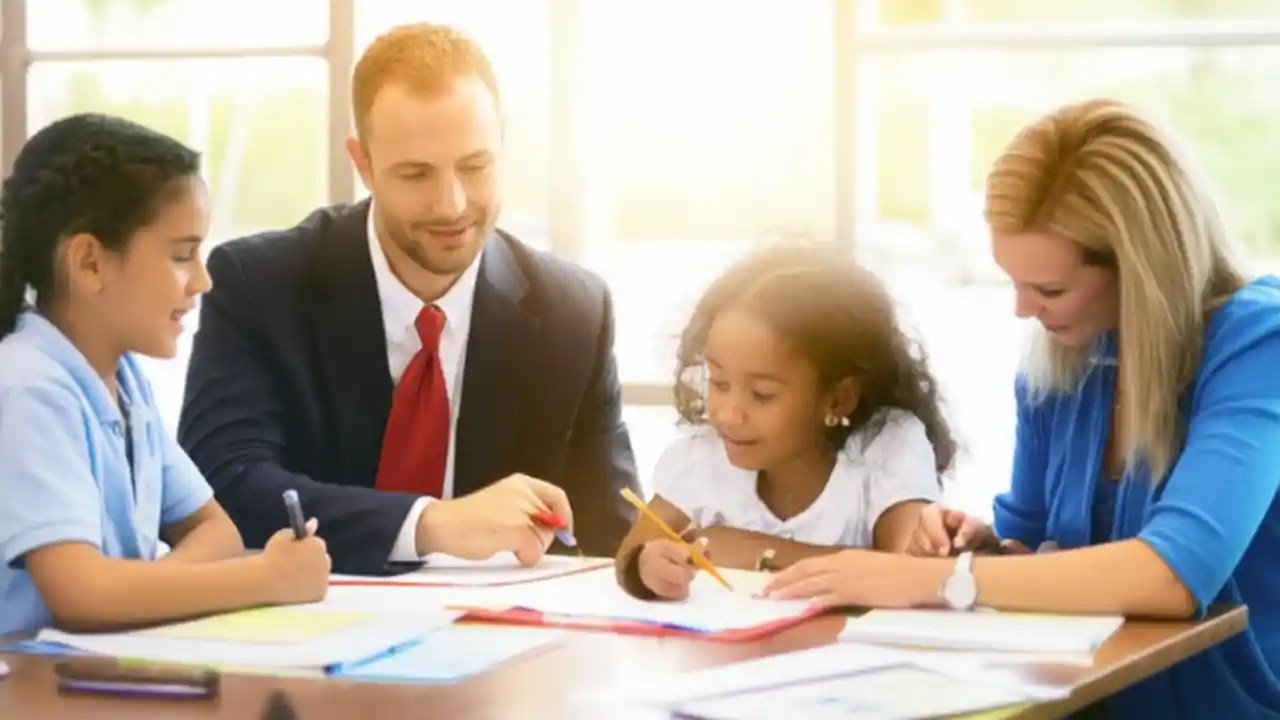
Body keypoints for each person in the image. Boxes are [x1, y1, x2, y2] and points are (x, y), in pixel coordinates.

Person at [763, 99, 1280, 717]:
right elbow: (1032, 547)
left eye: (1049, 289)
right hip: (1080, 700)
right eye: (1013, 282)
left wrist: (930, 582)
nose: (1022, 310)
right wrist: (977, 549)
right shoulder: (1061, 364)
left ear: (1143, 269)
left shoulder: (1258, 344)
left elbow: (1172, 575)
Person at [178, 23, 639, 575]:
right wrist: (432, 523)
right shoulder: (261, 285)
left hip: (497, 639)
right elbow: (223, 486)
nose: (452, 204)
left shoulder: (574, 311)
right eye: (417, 174)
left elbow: (609, 538)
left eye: (475, 166)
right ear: (364, 164)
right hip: (311, 625)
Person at [0, 113, 330, 635]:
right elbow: (81, 593)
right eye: (182, 255)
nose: (202, 280)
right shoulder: (29, 388)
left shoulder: (124, 382)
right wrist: (265, 579)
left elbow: (215, 530)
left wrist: (132, 593)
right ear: (89, 263)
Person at [615, 244, 955, 600]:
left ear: (838, 398)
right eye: (718, 383)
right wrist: (648, 566)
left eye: (762, 394)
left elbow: (910, 572)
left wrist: (747, 550)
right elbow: (629, 554)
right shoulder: (704, 456)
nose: (729, 413)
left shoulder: (886, 445)